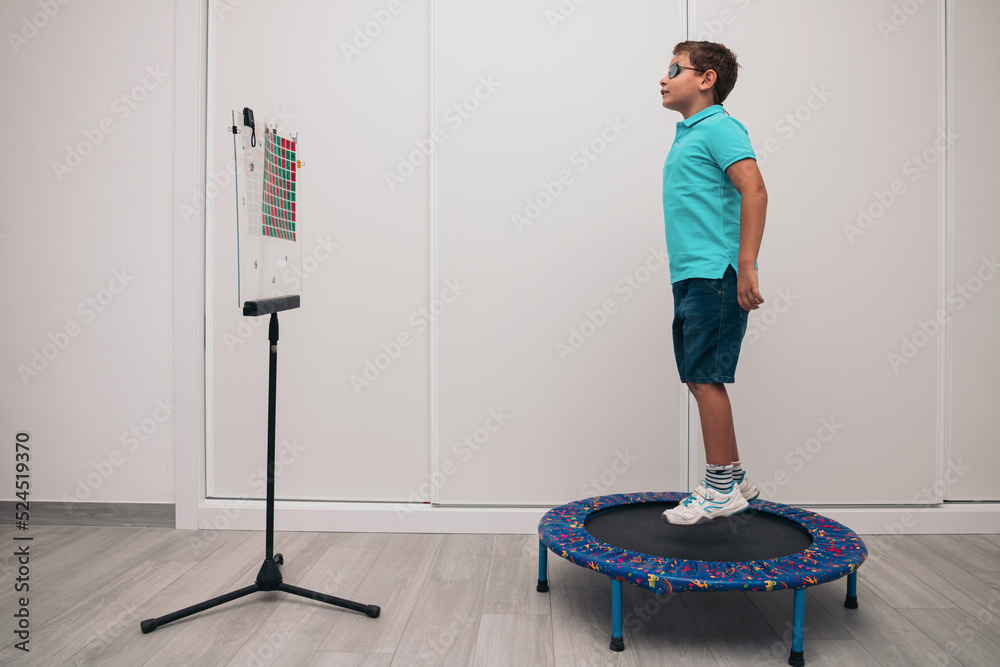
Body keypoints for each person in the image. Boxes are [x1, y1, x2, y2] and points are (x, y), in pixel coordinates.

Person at [659, 41, 767, 526]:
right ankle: (737, 479)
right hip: (691, 275)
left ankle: (720, 489)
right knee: (698, 377)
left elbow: (755, 189)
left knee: (706, 379)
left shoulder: (720, 126)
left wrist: (747, 264)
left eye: (673, 69)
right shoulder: (687, 134)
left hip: (715, 275)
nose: (663, 78)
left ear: (706, 79)